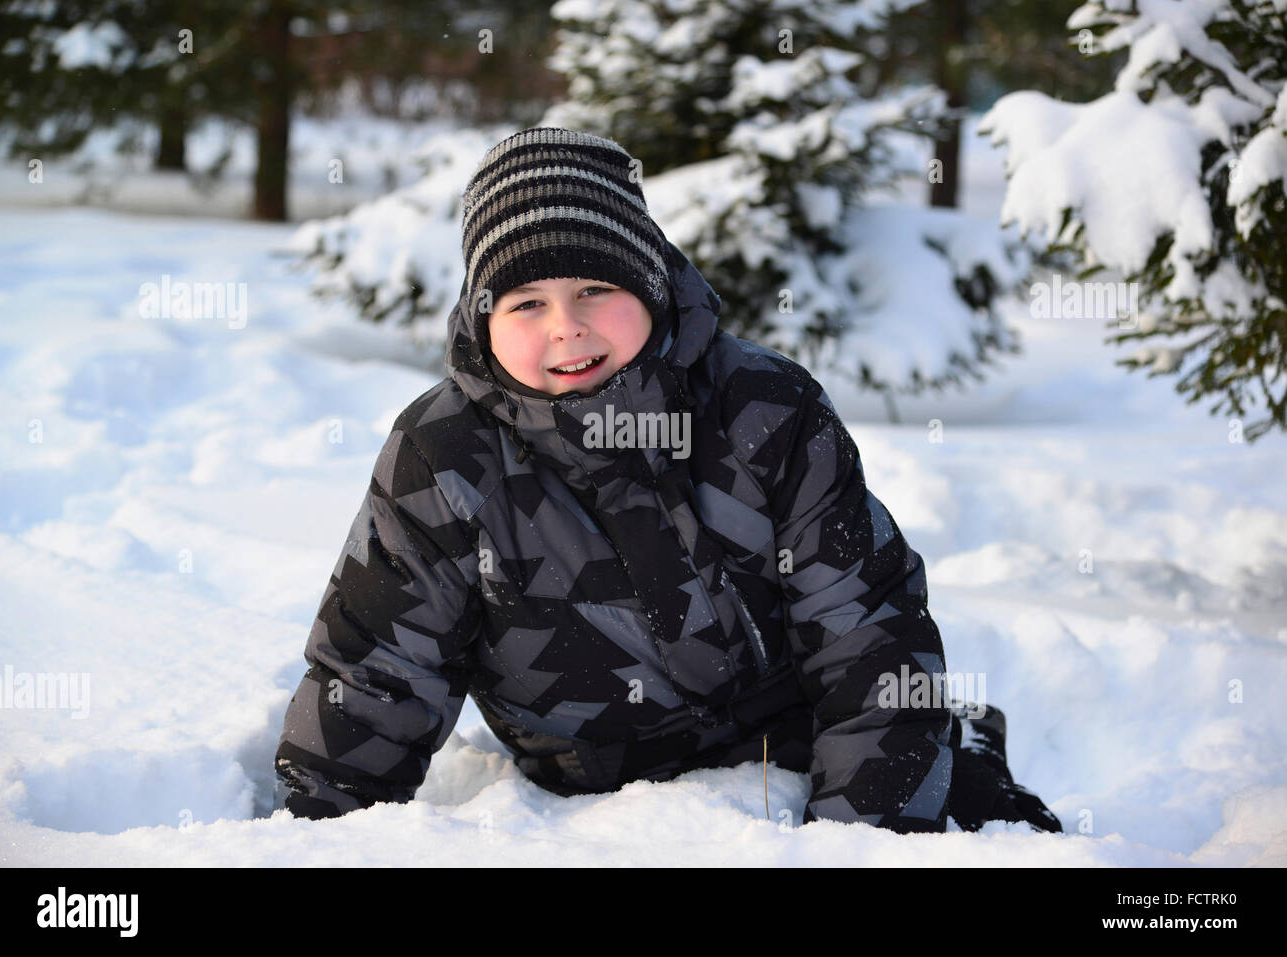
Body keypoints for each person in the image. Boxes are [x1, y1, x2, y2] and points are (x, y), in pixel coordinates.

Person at [273, 126, 1061, 835]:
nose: (564, 326)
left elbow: (866, 625)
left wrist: (865, 843)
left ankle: (969, 749)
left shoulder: (765, 411)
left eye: (595, 290)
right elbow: (378, 668)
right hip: (586, 786)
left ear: (650, 286)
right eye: (526, 302)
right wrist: (318, 830)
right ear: (483, 321)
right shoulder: (442, 454)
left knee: (981, 819)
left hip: (786, 742)